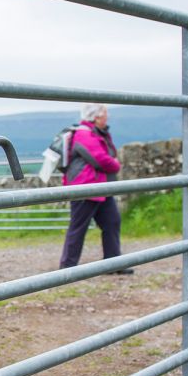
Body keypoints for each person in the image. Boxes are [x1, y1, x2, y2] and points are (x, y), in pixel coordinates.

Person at [59, 103, 128, 273]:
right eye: (105, 113)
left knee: (112, 222)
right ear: (96, 117)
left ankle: (113, 263)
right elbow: (100, 159)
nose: (107, 116)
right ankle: (67, 267)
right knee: (79, 227)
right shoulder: (85, 134)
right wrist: (116, 165)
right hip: (85, 188)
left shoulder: (92, 133)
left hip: (99, 187)